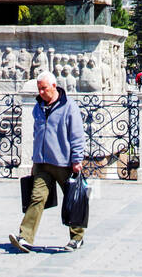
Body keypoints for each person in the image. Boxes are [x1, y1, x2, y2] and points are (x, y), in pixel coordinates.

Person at [11, 72, 86, 253]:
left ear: (54, 86)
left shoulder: (69, 107)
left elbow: (77, 135)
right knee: (36, 198)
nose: (41, 92)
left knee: (72, 199)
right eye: (39, 89)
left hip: (63, 162)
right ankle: (25, 236)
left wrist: (77, 159)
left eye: (44, 88)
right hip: (43, 162)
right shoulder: (38, 106)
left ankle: (76, 237)